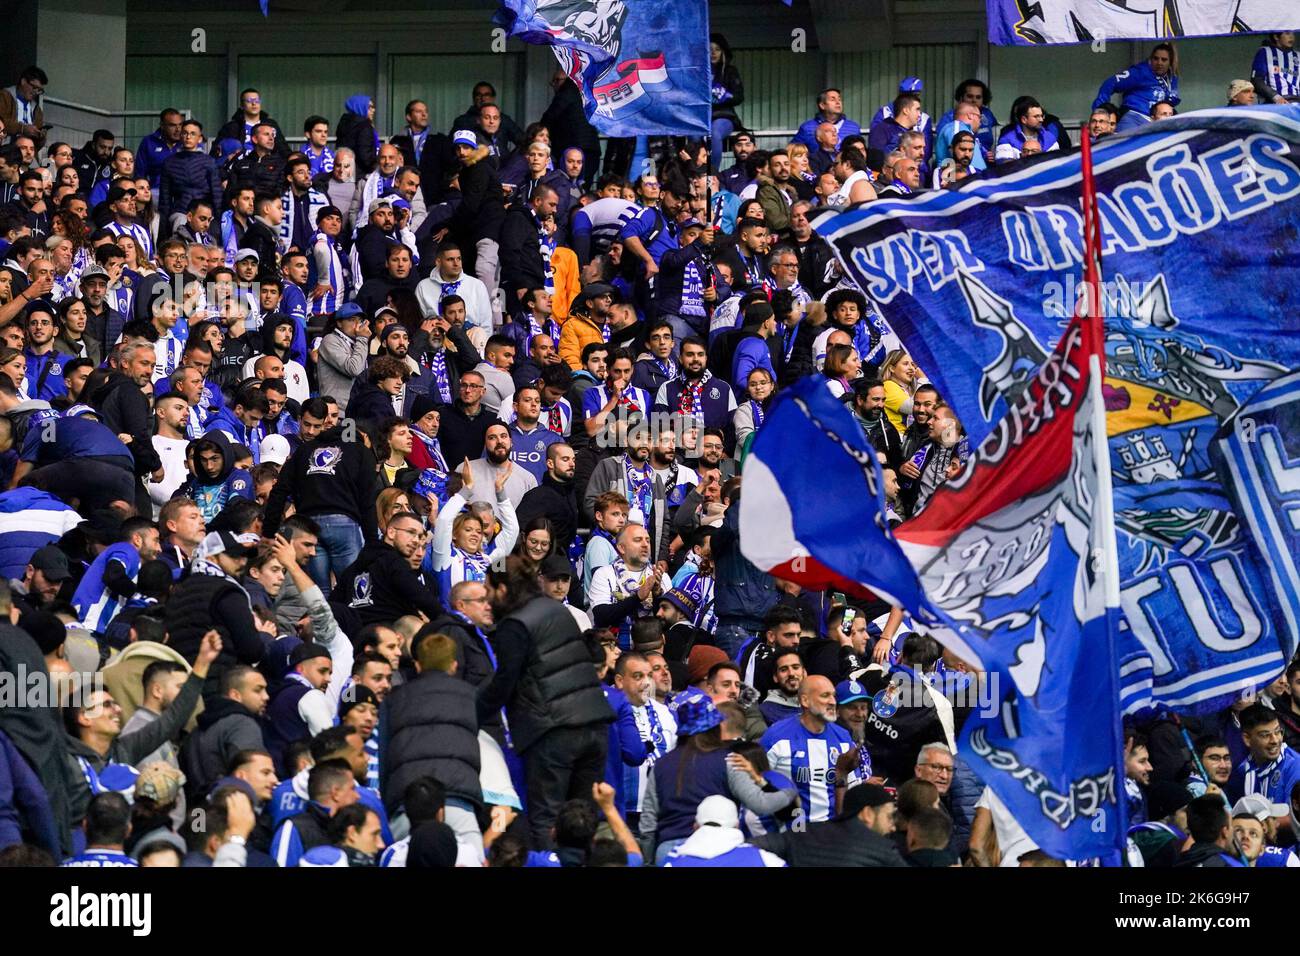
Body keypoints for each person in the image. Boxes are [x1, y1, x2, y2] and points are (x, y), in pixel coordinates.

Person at [1093, 43, 1180, 132]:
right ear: (1151, 59)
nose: (1159, 63)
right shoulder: (1140, 72)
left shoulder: (1172, 78)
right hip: (1133, 119)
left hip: (1156, 123)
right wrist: (1100, 112)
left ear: (1170, 62)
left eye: (1164, 60)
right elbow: (1110, 84)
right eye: (1156, 58)